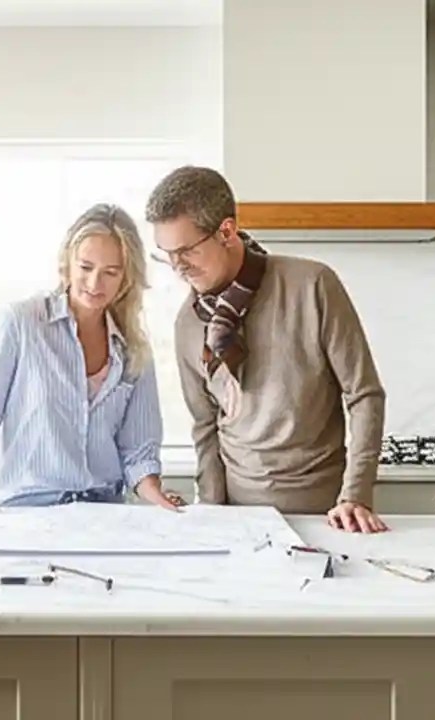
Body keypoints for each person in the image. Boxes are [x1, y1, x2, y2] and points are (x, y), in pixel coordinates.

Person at [0, 203, 182, 522]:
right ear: (67, 263)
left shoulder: (133, 350)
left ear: (127, 278)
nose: (95, 283)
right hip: (26, 510)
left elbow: (138, 452)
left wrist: (158, 497)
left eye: (111, 272)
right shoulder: (22, 323)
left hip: (103, 514)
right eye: (85, 267)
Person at [145, 166, 389, 533]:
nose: (178, 267)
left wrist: (355, 495)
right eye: (167, 254)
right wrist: (210, 513)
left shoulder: (313, 285)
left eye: (186, 251)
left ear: (226, 231)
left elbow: (364, 394)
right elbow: (206, 426)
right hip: (238, 522)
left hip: (327, 516)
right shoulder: (189, 323)